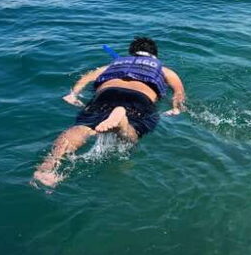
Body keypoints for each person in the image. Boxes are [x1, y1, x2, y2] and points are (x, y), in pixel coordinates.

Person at [32, 37, 186, 187]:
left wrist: (73, 94)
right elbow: (178, 92)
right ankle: (122, 123)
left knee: (82, 127)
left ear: (132, 53)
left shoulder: (113, 64)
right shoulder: (164, 70)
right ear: (155, 55)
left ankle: (49, 165)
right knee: (131, 136)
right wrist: (176, 107)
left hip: (106, 94)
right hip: (140, 97)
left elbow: (87, 78)